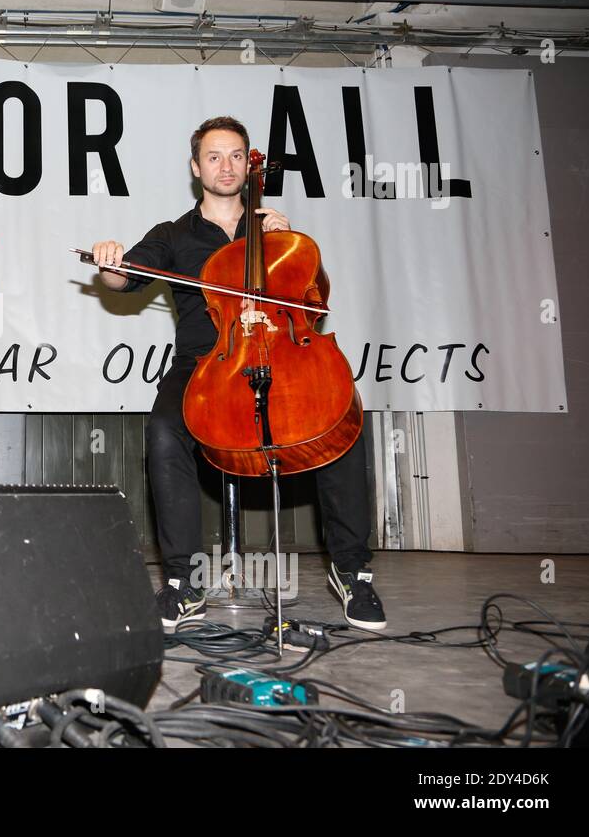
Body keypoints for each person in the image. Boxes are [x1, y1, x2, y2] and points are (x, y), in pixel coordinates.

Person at [90, 116, 386, 633]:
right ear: (195, 167)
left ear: (250, 166)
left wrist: (289, 245)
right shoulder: (172, 236)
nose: (225, 166)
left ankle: (352, 570)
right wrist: (110, 261)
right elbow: (122, 280)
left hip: (280, 353)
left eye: (234, 156)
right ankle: (182, 581)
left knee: (342, 419)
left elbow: (313, 301)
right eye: (213, 156)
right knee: (163, 431)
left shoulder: (275, 230)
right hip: (207, 364)